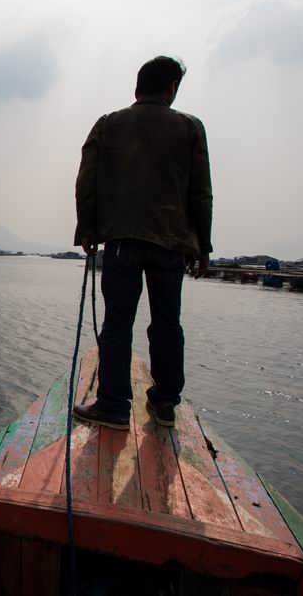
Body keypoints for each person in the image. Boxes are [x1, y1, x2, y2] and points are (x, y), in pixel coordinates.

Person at [72, 55, 213, 430]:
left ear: (138, 87)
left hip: (122, 242)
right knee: (168, 324)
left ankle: (114, 406)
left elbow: (86, 182)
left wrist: (87, 230)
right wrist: (203, 245)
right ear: (171, 89)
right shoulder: (189, 127)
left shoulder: (109, 124)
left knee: (118, 323)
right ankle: (165, 404)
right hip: (171, 243)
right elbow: (201, 193)